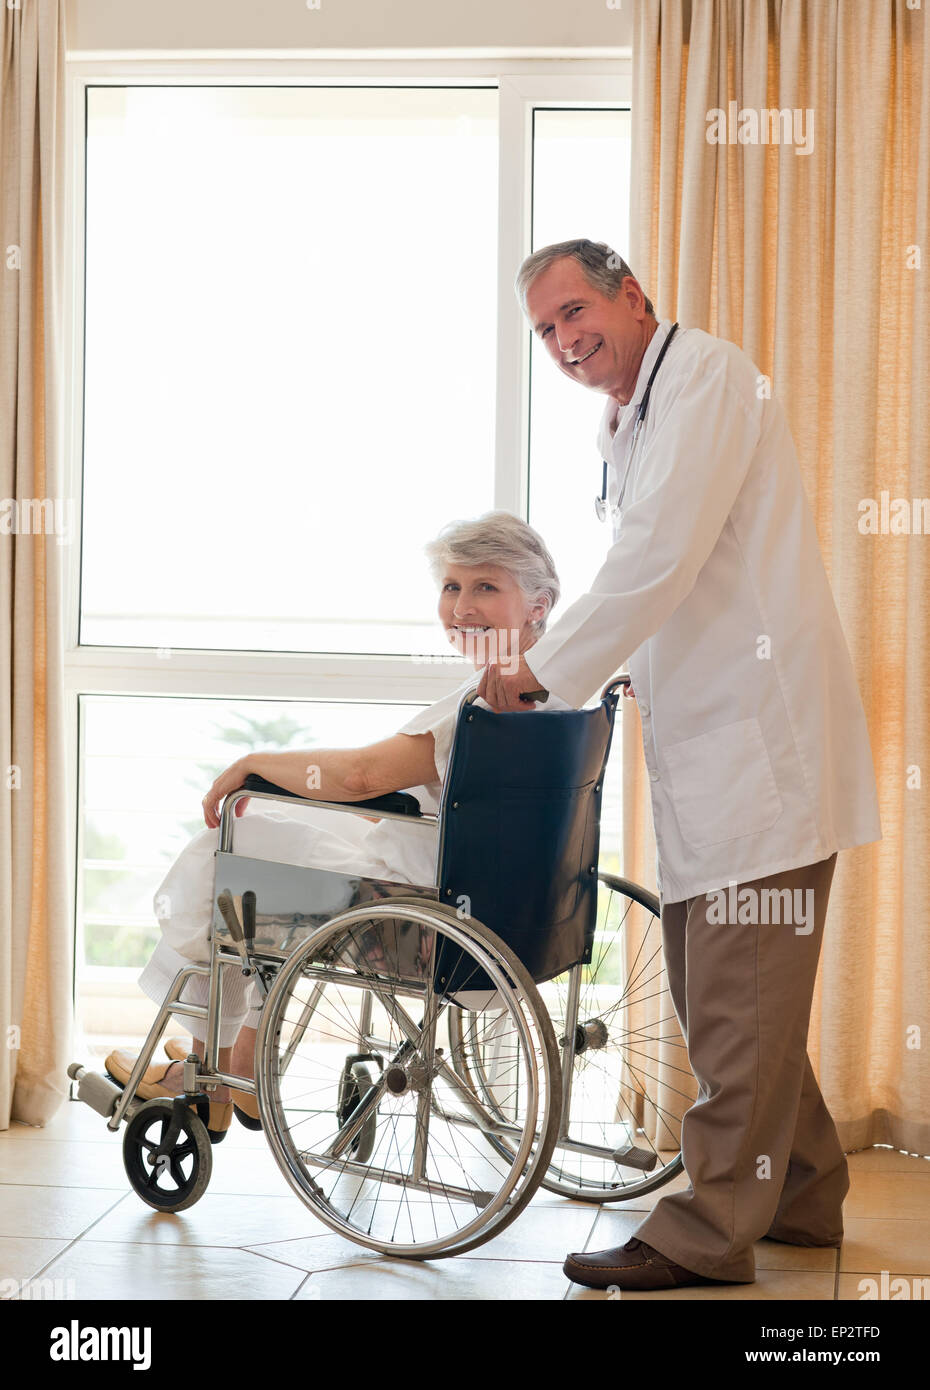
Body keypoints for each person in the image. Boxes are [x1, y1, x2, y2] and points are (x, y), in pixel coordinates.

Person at [477, 238, 882, 1290]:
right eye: (547, 331)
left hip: (764, 745)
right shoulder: (631, 419)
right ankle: (804, 1189)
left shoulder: (703, 379)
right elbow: (658, 580)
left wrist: (542, 671)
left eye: (575, 311)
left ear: (634, 293)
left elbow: (659, 556)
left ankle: (707, 1229)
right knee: (729, 995)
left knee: (736, 995)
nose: (566, 340)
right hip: (715, 750)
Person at [105, 511, 567, 1138]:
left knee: (228, 847)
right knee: (270, 845)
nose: (461, 607)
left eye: (485, 587)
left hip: (436, 913)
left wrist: (253, 763)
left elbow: (359, 778)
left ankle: (220, 1065)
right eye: (451, 587)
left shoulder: (490, 703)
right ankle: (232, 1055)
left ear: (539, 603)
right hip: (520, 909)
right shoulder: (563, 697)